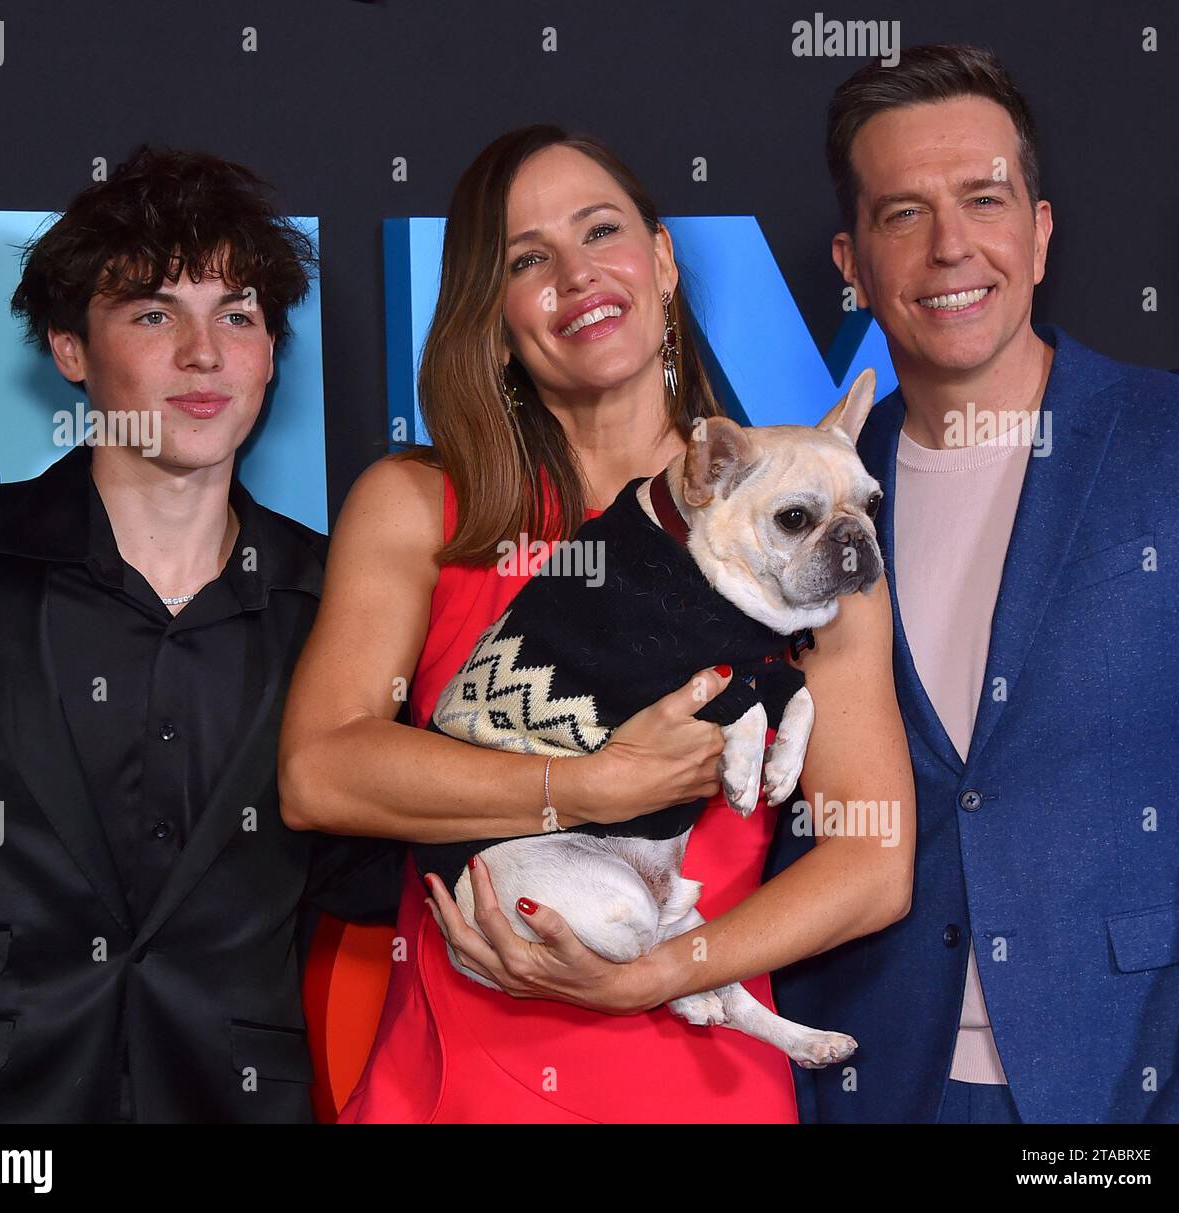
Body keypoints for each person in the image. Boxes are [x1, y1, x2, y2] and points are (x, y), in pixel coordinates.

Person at [279, 124, 915, 1123]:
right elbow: (319, 774)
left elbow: (871, 860)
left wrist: (659, 970)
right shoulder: (418, 504)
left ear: (662, 262)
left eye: (601, 232)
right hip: (451, 1080)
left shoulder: (801, 511)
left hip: (692, 1074)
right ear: (493, 312)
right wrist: (585, 784)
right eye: (529, 259)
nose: (578, 276)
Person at [0, 145, 404, 1123]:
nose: (203, 353)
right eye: (152, 312)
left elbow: (396, 869)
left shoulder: (344, 601)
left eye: (239, 316)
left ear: (268, 354)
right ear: (69, 346)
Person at [767, 43, 1179, 1124]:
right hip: (869, 1072)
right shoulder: (805, 495)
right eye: (902, 213)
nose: (950, 244)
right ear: (851, 262)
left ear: (1040, 233)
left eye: (982, 199)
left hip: (1127, 1077)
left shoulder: (1177, 444)